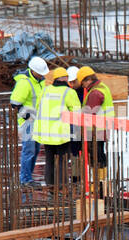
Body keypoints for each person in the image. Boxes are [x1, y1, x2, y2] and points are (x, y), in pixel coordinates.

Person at [36, 67, 81, 190]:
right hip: (61, 134)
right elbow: (77, 113)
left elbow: (37, 107)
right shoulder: (69, 92)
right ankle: (61, 188)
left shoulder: (45, 90)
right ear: (66, 78)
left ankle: (50, 187)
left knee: (49, 160)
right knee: (62, 161)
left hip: (45, 133)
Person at [10, 55, 50, 187]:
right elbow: (15, 103)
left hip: (38, 121)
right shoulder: (24, 82)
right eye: (40, 73)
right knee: (29, 150)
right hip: (28, 122)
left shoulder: (40, 81)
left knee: (36, 149)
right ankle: (25, 179)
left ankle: (29, 177)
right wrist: (27, 116)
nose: (42, 75)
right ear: (33, 71)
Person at [75, 66, 114, 196]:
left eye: (83, 84)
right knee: (100, 157)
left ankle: (98, 185)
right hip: (102, 129)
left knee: (95, 158)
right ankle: (102, 184)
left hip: (95, 131)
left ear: (88, 80)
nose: (84, 87)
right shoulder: (103, 87)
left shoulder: (95, 93)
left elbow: (88, 113)